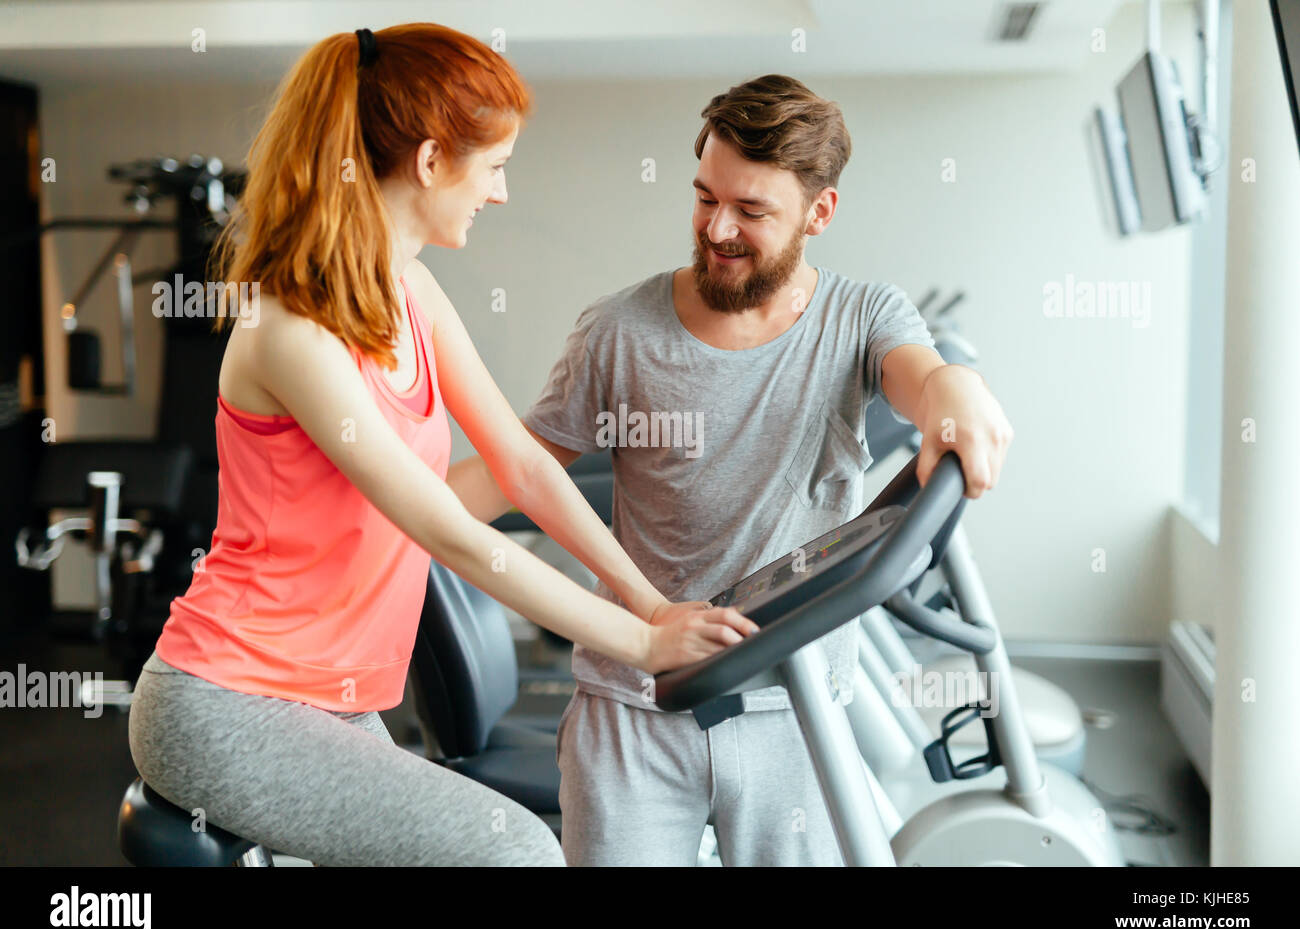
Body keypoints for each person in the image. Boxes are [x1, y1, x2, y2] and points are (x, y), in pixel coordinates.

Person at [127, 23, 758, 868]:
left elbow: (520, 463)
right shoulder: (290, 332)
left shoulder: (411, 290)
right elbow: (449, 533)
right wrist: (640, 646)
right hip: (226, 701)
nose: (498, 193)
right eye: (493, 167)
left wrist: (653, 606)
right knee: (515, 854)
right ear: (430, 162)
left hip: (335, 702)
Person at [465, 74, 1015, 865]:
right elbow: (508, 472)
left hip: (793, 710)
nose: (717, 228)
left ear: (818, 213)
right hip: (634, 710)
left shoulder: (861, 317)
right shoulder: (618, 330)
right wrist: (380, 512)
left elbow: (924, 379)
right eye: (703, 198)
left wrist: (958, 391)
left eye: (752, 211)